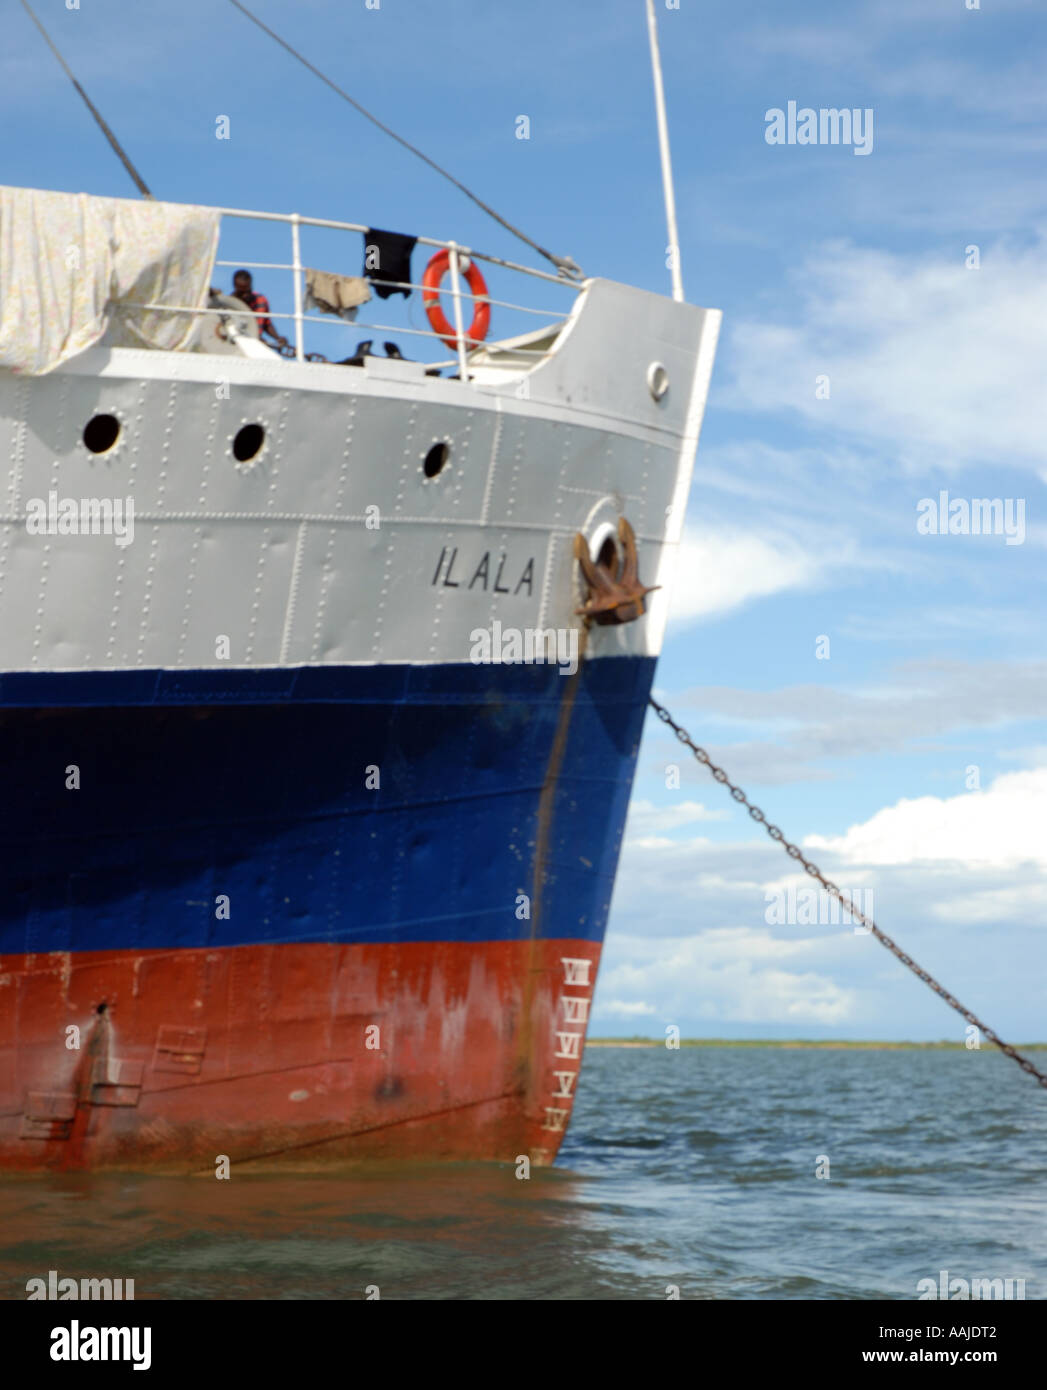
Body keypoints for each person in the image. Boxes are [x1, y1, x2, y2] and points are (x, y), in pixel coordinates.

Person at [231, 270, 289, 350]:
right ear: (235, 287)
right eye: (242, 292)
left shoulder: (261, 300)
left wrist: (277, 338)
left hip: (256, 344)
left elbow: (266, 324)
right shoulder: (229, 305)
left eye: (248, 291)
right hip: (236, 345)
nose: (245, 295)